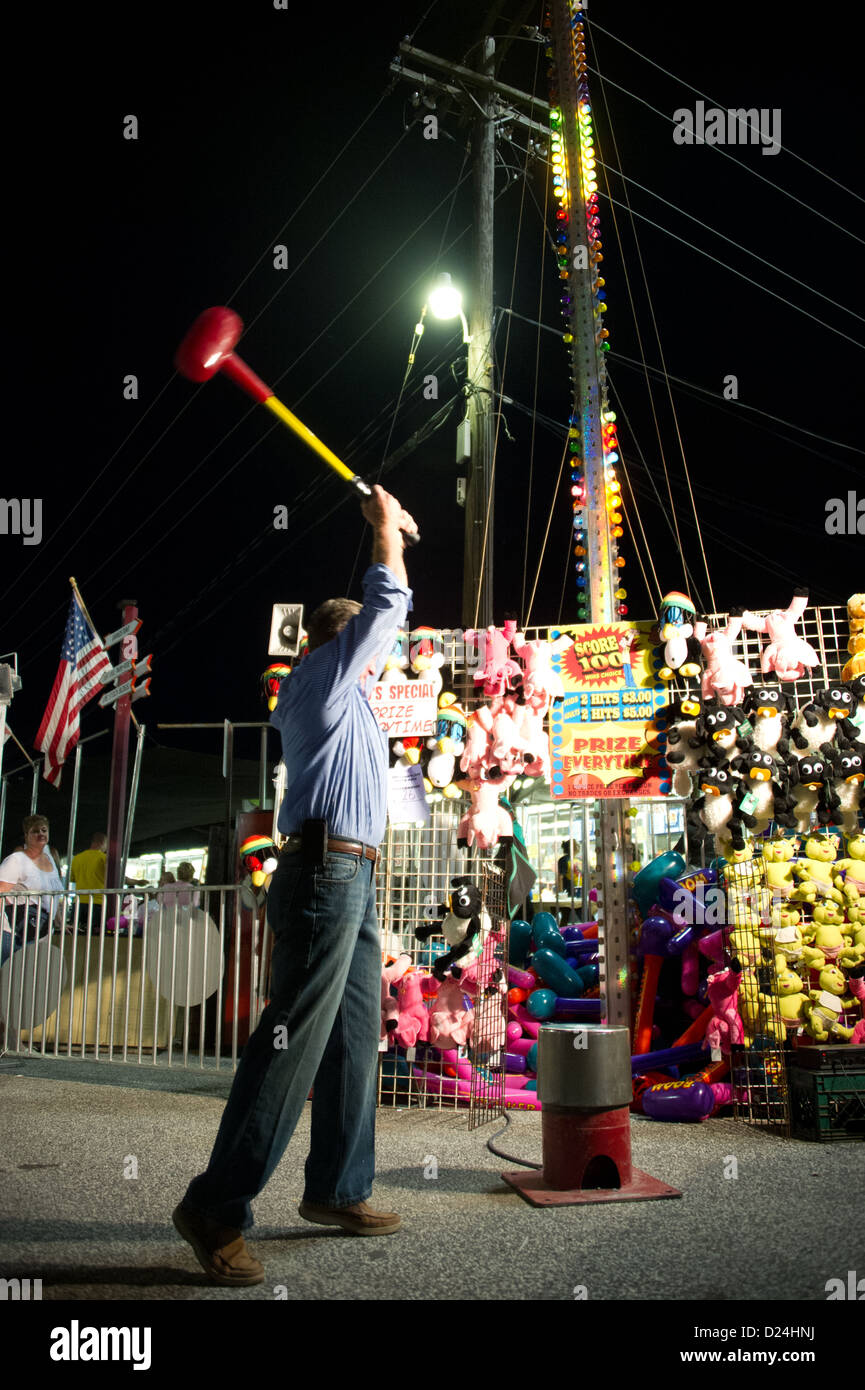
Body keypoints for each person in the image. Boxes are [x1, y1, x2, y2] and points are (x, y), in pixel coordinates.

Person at [173, 484, 415, 1286]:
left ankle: (338, 1190)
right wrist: (387, 533)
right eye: (372, 647)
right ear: (337, 644)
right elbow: (387, 604)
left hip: (350, 875)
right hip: (323, 871)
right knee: (291, 1041)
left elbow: (385, 620)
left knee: (351, 1037)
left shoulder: (349, 703)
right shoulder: (319, 679)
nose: (384, 655)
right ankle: (215, 1206)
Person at [0, 815, 65, 966]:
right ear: (26, 836)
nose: (40, 834)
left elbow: (53, 897)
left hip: (40, 933)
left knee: (28, 980)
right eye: (35, 831)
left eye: (44, 830)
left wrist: (59, 920)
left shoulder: (51, 860)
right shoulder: (16, 860)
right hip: (12, 933)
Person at [70, 831, 108, 932]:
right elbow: (115, 877)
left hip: (78, 903)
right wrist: (137, 882)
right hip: (97, 903)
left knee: (75, 934)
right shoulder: (103, 858)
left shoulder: (77, 858)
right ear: (103, 842)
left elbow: (72, 878)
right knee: (95, 937)